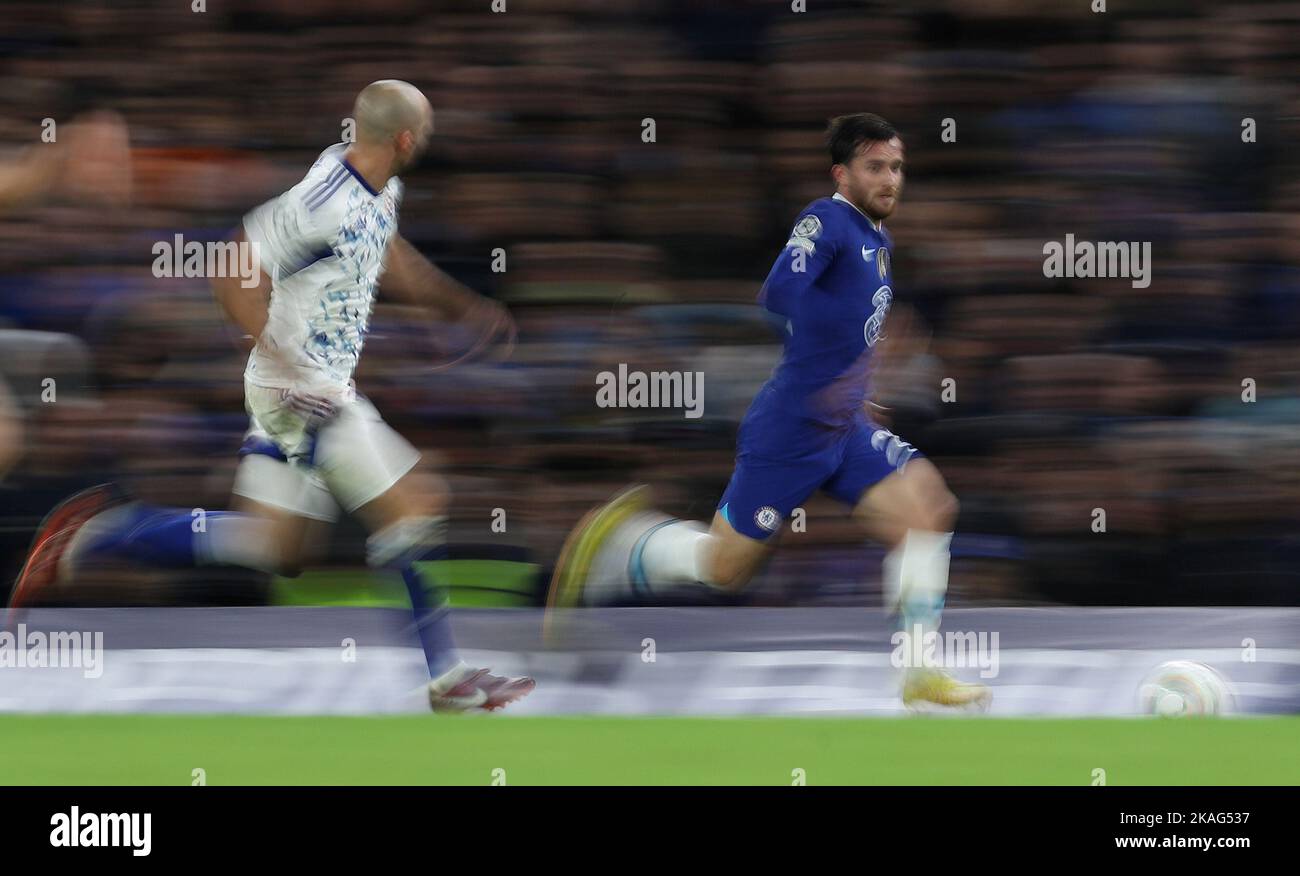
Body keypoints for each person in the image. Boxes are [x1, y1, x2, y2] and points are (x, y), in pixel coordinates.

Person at [9, 81, 533, 713]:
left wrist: (457, 305)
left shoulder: (376, 191)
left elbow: (388, 254)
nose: (426, 139)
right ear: (402, 138)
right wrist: (277, 356)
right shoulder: (323, 201)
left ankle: (105, 531)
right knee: (415, 503)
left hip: (315, 388)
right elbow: (233, 263)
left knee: (279, 549)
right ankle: (447, 679)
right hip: (304, 392)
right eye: (422, 128)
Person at [546, 113, 989, 710]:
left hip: (845, 428)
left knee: (929, 510)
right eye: (876, 167)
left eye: (897, 166)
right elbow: (779, 292)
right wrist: (823, 371)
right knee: (726, 568)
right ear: (843, 174)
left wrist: (857, 372)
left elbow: (845, 319)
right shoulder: (827, 218)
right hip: (793, 427)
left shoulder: (876, 238)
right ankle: (624, 545)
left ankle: (918, 671)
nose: (891, 179)